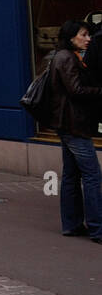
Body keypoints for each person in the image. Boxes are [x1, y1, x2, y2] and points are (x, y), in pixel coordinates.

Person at [44, 21, 102, 242]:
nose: (88, 39)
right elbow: (75, 90)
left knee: (71, 174)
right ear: (71, 37)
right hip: (73, 124)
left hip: (67, 123)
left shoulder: (64, 56)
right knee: (92, 175)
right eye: (84, 35)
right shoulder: (66, 58)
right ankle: (97, 228)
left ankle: (72, 224)